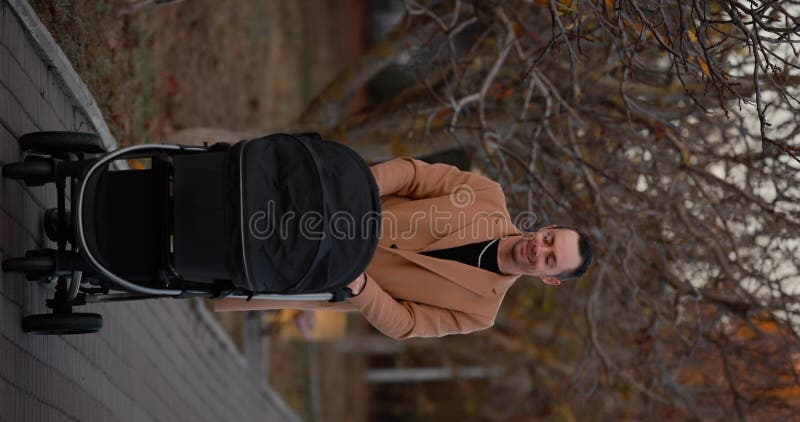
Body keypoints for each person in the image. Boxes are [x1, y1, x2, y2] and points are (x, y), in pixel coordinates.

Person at [215, 157, 593, 339]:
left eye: (550, 260)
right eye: (548, 240)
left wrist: (362, 289)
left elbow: (407, 324)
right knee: (222, 200)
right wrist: (361, 193)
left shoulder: (480, 313)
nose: (539, 250)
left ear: (550, 279)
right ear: (546, 228)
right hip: (321, 210)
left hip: (317, 277)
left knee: (204, 268)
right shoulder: (486, 194)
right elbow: (414, 175)